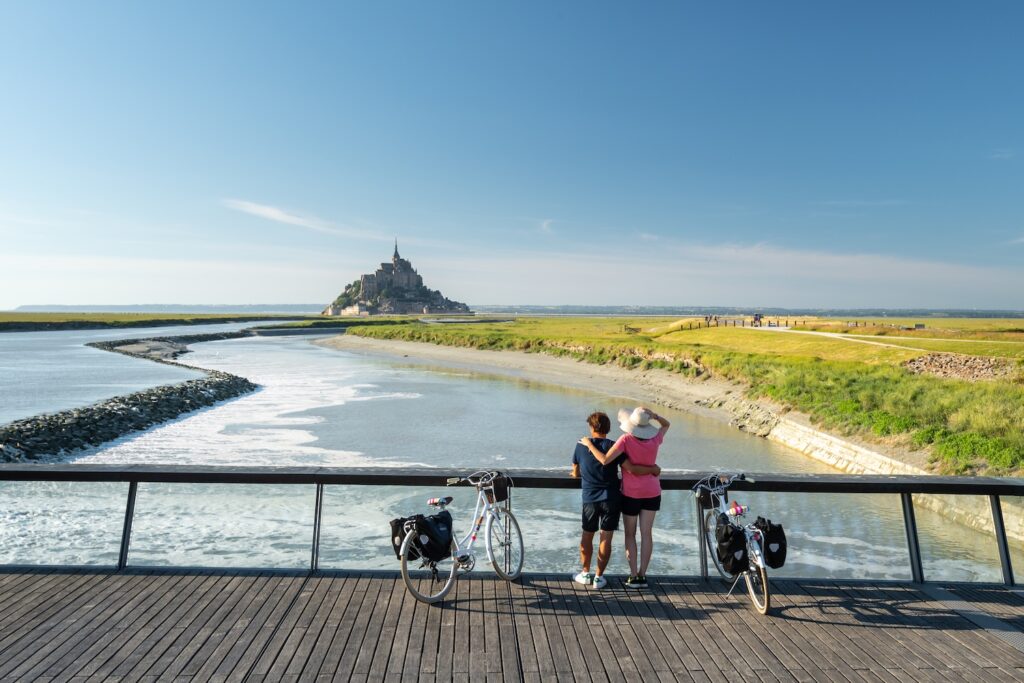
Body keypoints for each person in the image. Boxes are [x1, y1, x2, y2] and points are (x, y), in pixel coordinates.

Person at [579, 406, 670, 589]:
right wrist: (654, 416)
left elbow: (605, 460)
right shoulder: (655, 438)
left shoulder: (626, 439)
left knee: (630, 534)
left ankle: (633, 575)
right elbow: (666, 425)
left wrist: (588, 444)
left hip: (631, 494)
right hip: (652, 491)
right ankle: (643, 575)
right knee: (647, 534)